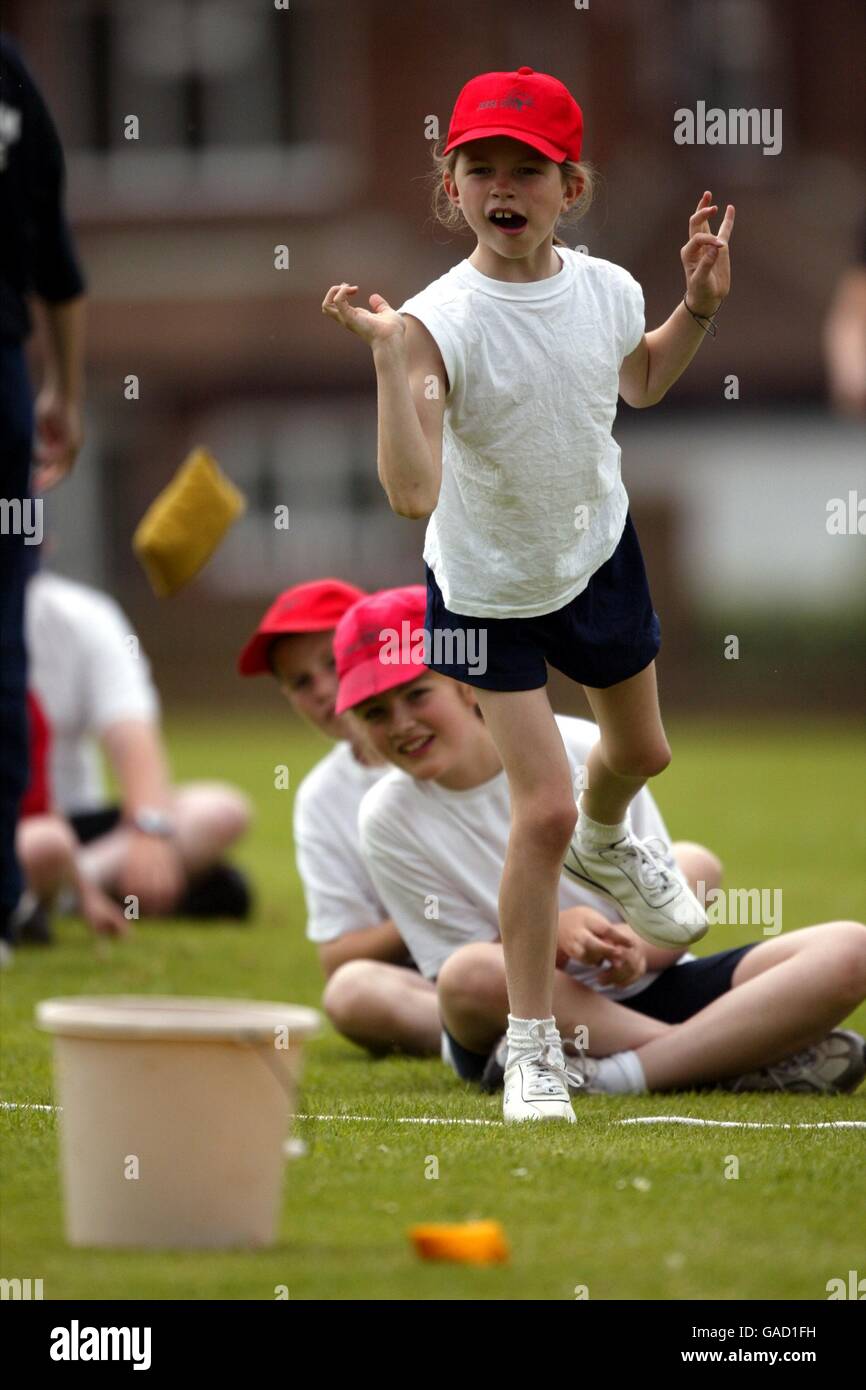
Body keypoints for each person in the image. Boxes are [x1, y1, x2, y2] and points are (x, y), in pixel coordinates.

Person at [322, 66, 737, 1121]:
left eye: (526, 169)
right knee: (542, 808)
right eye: (479, 168)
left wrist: (695, 305)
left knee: (640, 757)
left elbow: (637, 381)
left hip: (593, 555)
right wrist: (386, 363)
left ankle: (615, 839)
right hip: (481, 591)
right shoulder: (433, 320)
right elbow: (414, 491)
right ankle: (531, 1048)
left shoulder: (604, 289)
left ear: (570, 186)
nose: (501, 185)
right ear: (448, 184)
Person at [337, 587, 866, 1102]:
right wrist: (556, 940)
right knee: (467, 974)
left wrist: (632, 946)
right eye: (374, 713)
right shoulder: (386, 816)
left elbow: (657, 900)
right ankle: (727, 1053)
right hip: (530, 1015)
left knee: (848, 948)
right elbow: (458, 984)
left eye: (416, 694)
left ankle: (621, 1074)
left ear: (466, 684)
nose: (401, 724)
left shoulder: (584, 747)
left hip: (647, 986)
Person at [238, 578, 441, 1054]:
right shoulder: (320, 797)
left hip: (537, 947)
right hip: (429, 975)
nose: (326, 690)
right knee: (353, 996)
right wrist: (436, 908)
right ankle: (502, 1034)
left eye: (334, 661)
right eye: (301, 683)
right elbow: (339, 955)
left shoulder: (461, 744)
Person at [25, 570, 252, 920]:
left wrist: (148, 830)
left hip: (79, 826)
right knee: (42, 846)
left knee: (219, 810)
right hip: (26, 831)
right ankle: (59, 890)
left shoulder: (82, 614)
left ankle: (58, 890)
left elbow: (131, 731)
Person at [0, 37, 87, 948]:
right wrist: (65, 386)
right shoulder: (12, 77)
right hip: (5, 381)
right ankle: (3, 896)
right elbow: (53, 253)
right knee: (1, 635)